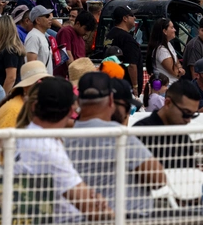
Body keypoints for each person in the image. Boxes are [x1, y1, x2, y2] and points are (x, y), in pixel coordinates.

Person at [13, 76, 115, 221]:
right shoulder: (48, 148)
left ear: (34, 106)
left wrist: (92, 197)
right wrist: (108, 212)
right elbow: (91, 210)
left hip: (46, 224)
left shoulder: (23, 136)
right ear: (70, 111)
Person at [63, 72, 165, 215]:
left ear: (78, 101)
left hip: (85, 222)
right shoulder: (119, 135)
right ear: (111, 100)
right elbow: (159, 179)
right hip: (131, 222)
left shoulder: (65, 137)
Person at [0, 60, 50, 164]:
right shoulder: (14, 109)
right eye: (40, 82)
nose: (44, 86)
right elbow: (6, 149)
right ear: (26, 87)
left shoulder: (27, 105)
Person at [133, 79, 201, 169]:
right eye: (186, 113)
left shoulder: (184, 138)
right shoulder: (141, 132)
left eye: (192, 115)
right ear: (168, 103)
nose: (188, 120)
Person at [105, 4, 142, 90]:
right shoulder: (127, 39)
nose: (135, 18)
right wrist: (135, 87)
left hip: (111, 82)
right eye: (132, 15)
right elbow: (131, 65)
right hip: (125, 86)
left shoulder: (109, 34)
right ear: (125, 18)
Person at [147, 18, 181, 86]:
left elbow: (177, 63)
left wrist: (179, 68)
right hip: (166, 87)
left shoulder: (168, 44)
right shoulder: (161, 50)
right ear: (165, 31)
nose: (175, 30)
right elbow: (175, 72)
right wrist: (181, 71)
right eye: (172, 27)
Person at [23, 5, 55, 74]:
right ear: (37, 20)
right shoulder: (33, 36)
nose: (50, 19)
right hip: (39, 82)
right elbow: (31, 64)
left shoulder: (42, 35)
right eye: (47, 16)